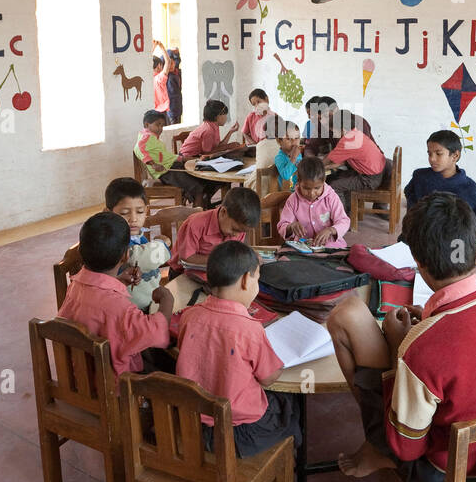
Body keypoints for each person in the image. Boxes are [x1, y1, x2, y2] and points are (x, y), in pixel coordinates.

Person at [324, 192, 476, 482]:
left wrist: (397, 349)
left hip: (445, 471)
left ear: (417, 261)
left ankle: (378, 450)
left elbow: (407, 448)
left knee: (347, 314)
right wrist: (430, 324)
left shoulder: (421, 347)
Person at [175, 241, 301, 457]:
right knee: (290, 405)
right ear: (245, 280)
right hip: (240, 434)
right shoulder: (249, 329)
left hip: (194, 422)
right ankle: (291, 464)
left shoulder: (189, 316)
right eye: (258, 279)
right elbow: (269, 378)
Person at [57, 212, 175, 377]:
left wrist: (118, 281)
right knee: (172, 367)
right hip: (115, 384)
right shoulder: (120, 308)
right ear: (126, 255)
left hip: (81, 373)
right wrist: (166, 299)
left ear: (82, 251)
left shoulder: (75, 285)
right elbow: (157, 333)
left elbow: (97, 300)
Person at [404, 129, 476, 240]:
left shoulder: (473, 192)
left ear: (455, 156)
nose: (432, 159)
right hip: (417, 240)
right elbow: (410, 200)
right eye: (429, 153)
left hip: (448, 247)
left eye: (438, 154)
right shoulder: (420, 177)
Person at [105, 177, 169, 311]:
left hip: (149, 301)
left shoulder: (138, 235)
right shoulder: (113, 240)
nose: (133, 219)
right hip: (132, 310)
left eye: (139, 212)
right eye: (124, 213)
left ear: (146, 210)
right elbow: (138, 258)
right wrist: (162, 244)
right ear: (108, 213)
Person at [168, 186, 260, 273]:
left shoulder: (239, 229)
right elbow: (186, 257)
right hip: (181, 272)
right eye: (234, 229)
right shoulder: (195, 224)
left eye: (241, 232)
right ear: (224, 212)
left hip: (213, 271)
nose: (237, 235)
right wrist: (220, 260)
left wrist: (248, 256)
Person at [135, 109, 204, 206]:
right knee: (198, 188)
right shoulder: (147, 137)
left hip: (170, 169)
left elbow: (165, 156)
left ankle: (195, 204)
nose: (160, 128)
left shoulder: (149, 136)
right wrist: (153, 164)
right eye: (157, 125)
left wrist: (182, 158)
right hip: (167, 172)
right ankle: (198, 215)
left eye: (162, 125)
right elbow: (138, 148)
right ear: (147, 125)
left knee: (196, 178)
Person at [277, 157, 349, 248]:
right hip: (301, 245)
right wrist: (291, 227)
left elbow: (344, 221)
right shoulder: (293, 200)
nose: (311, 193)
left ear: (324, 181)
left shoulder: (331, 197)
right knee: (287, 256)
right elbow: (282, 226)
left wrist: (331, 230)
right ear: (298, 182)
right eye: (306, 188)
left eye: (317, 188)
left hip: (328, 244)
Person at [324, 124, 388, 196]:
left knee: (333, 187)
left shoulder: (347, 141)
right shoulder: (356, 133)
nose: (333, 135)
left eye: (334, 132)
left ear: (343, 130)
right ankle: (349, 206)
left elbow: (330, 158)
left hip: (369, 180)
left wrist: (317, 166)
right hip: (380, 172)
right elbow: (340, 161)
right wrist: (327, 166)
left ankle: (341, 207)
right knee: (342, 177)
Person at [273, 116, 303, 187]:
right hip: (289, 191)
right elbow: (286, 176)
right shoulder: (279, 158)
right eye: (289, 139)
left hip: (301, 188)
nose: (294, 142)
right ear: (279, 141)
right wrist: (293, 158)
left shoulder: (298, 154)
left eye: (296, 138)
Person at [165, 48, 183, 126]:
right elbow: (163, 58)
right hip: (171, 109)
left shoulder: (176, 71)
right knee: (172, 128)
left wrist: (176, 53)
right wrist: (170, 51)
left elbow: (177, 60)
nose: (172, 65)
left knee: (178, 126)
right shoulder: (166, 75)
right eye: (169, 63)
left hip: (178, 107)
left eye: (173, 63)